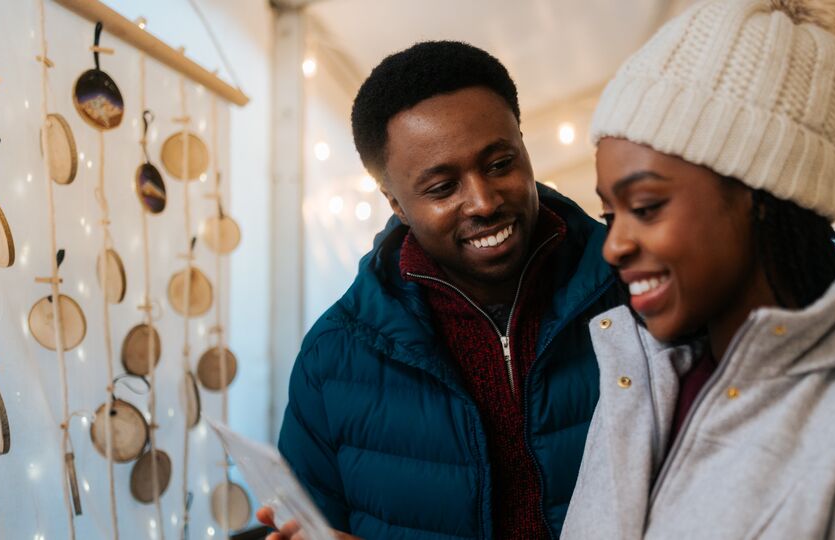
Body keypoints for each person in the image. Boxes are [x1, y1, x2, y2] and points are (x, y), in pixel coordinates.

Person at [561, 0, 835, 538]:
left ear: (763, 197)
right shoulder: (638, 374)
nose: (613, 245)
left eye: (645, 207)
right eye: (608, 214)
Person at [260, 41, 620, 539]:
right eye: (442, 187)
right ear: (397, 205)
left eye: (499, 164)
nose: (483, 201)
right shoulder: (333, 357)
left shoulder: (633, 290)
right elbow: (308, 522)